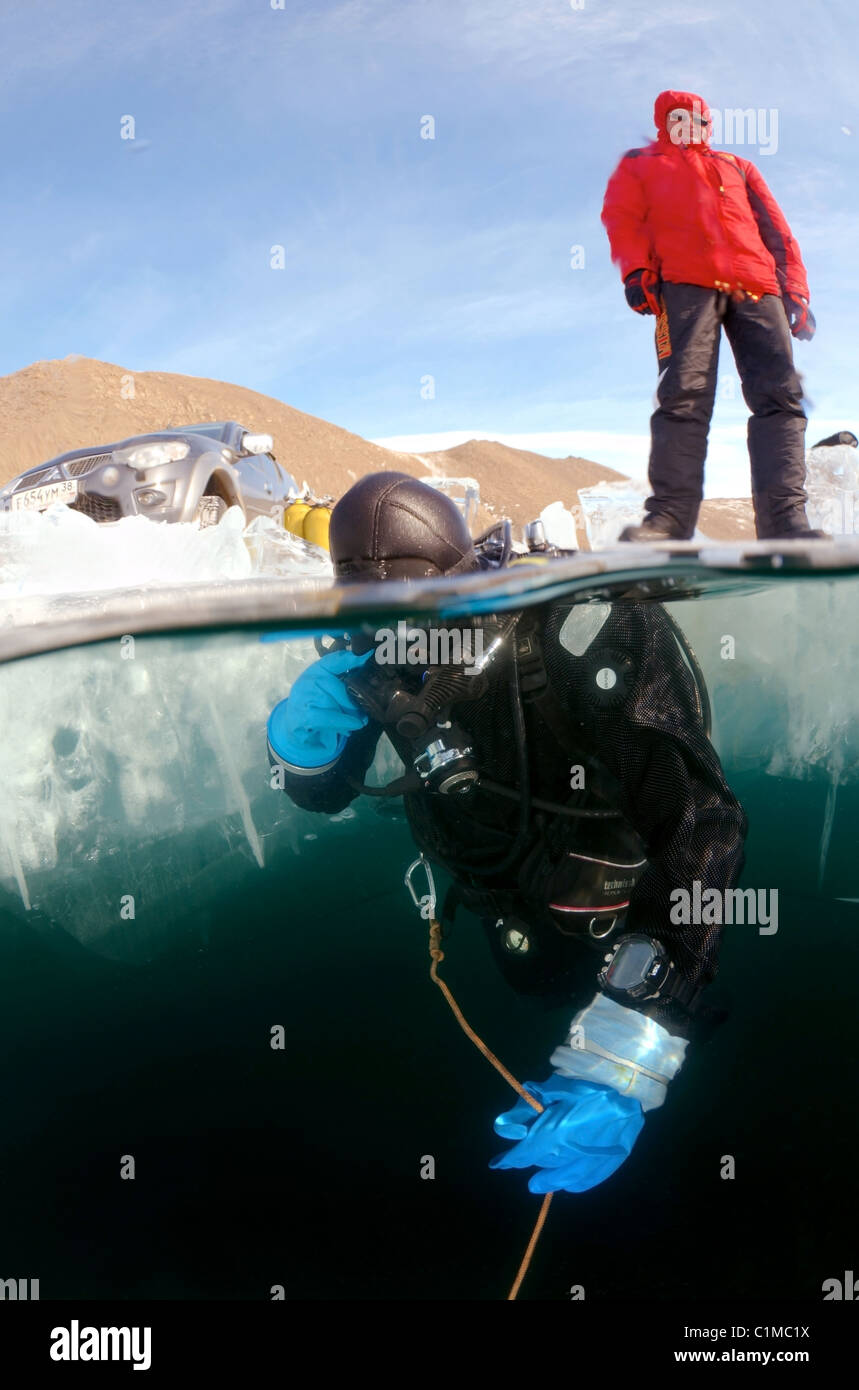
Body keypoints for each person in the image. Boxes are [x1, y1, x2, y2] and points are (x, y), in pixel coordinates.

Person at [268, 473, 748, 1194]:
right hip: (498, 905)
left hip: (613, 911)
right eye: (378, 622)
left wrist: (630, 1051)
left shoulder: (577, 631)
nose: (406, 653)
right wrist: (306, 746)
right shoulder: (379, 659)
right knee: (533, 986)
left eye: (422, 618)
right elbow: (323, 794)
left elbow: (705, 830)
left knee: (584, 1005)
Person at [602, 89, 828, 543]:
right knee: (684, 395)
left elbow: (778, 232)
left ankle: (786, 524)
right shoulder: (640, 163)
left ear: (709, 125)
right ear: (664, 122)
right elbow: (623, 218)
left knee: (781, 397)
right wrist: (638, 272)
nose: (691, 125)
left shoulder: (739, 167)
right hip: (683, 283)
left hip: (756, 285)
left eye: (699, 119)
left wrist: (795, 292)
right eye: (679, 117)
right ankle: (669, 521)